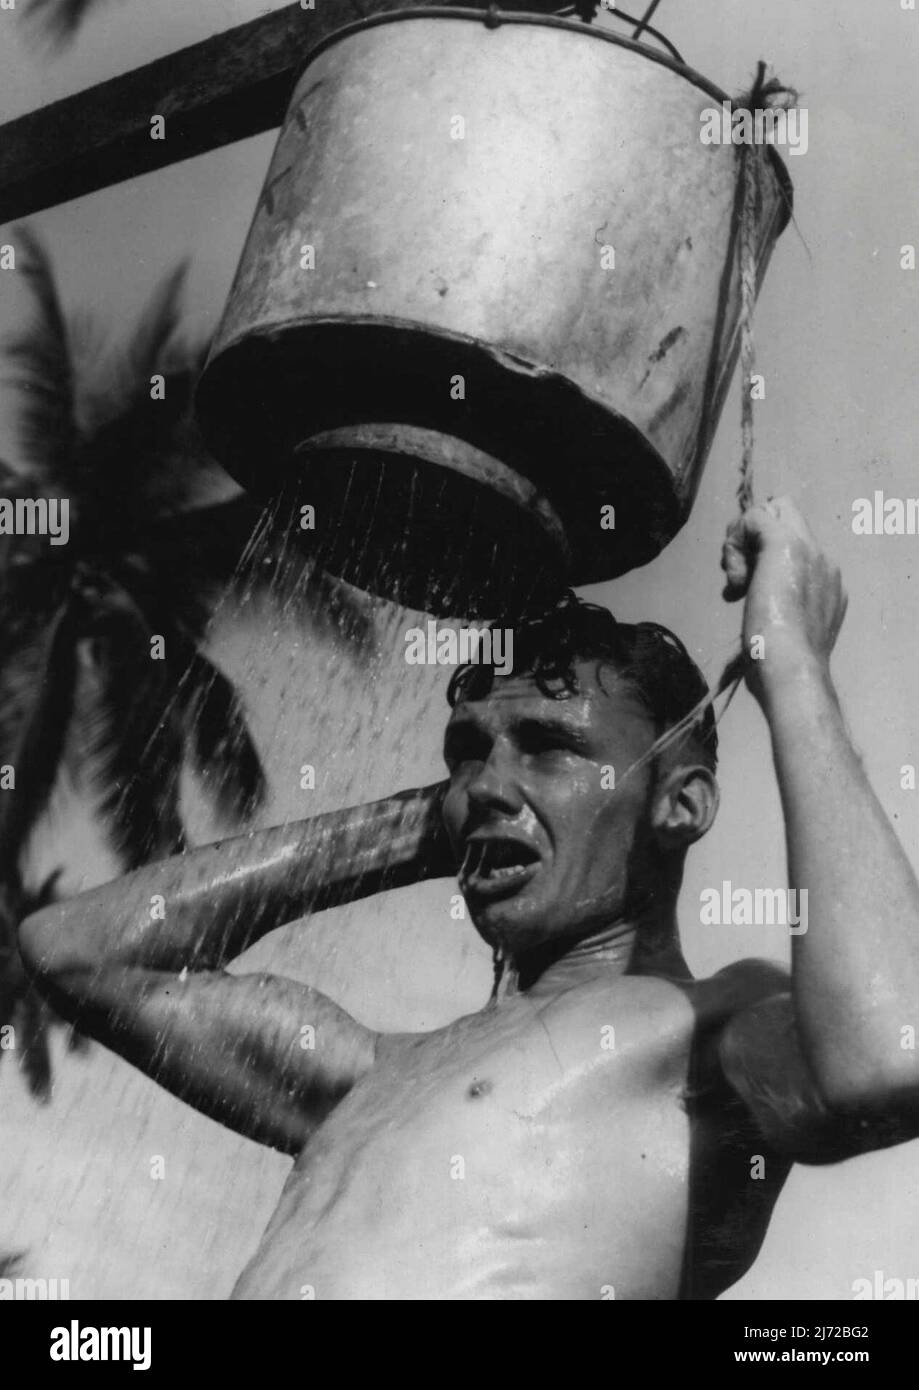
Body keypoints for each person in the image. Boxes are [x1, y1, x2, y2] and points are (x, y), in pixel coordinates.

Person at [19, 497, 919, 1300]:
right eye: (465, 751)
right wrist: (440, 820)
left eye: (547, 744)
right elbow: (77, 949)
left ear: (679, 805)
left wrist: (793, 663)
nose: (484, 781)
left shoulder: (711, 1033)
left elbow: (892, 1055)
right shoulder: (367, 1076)